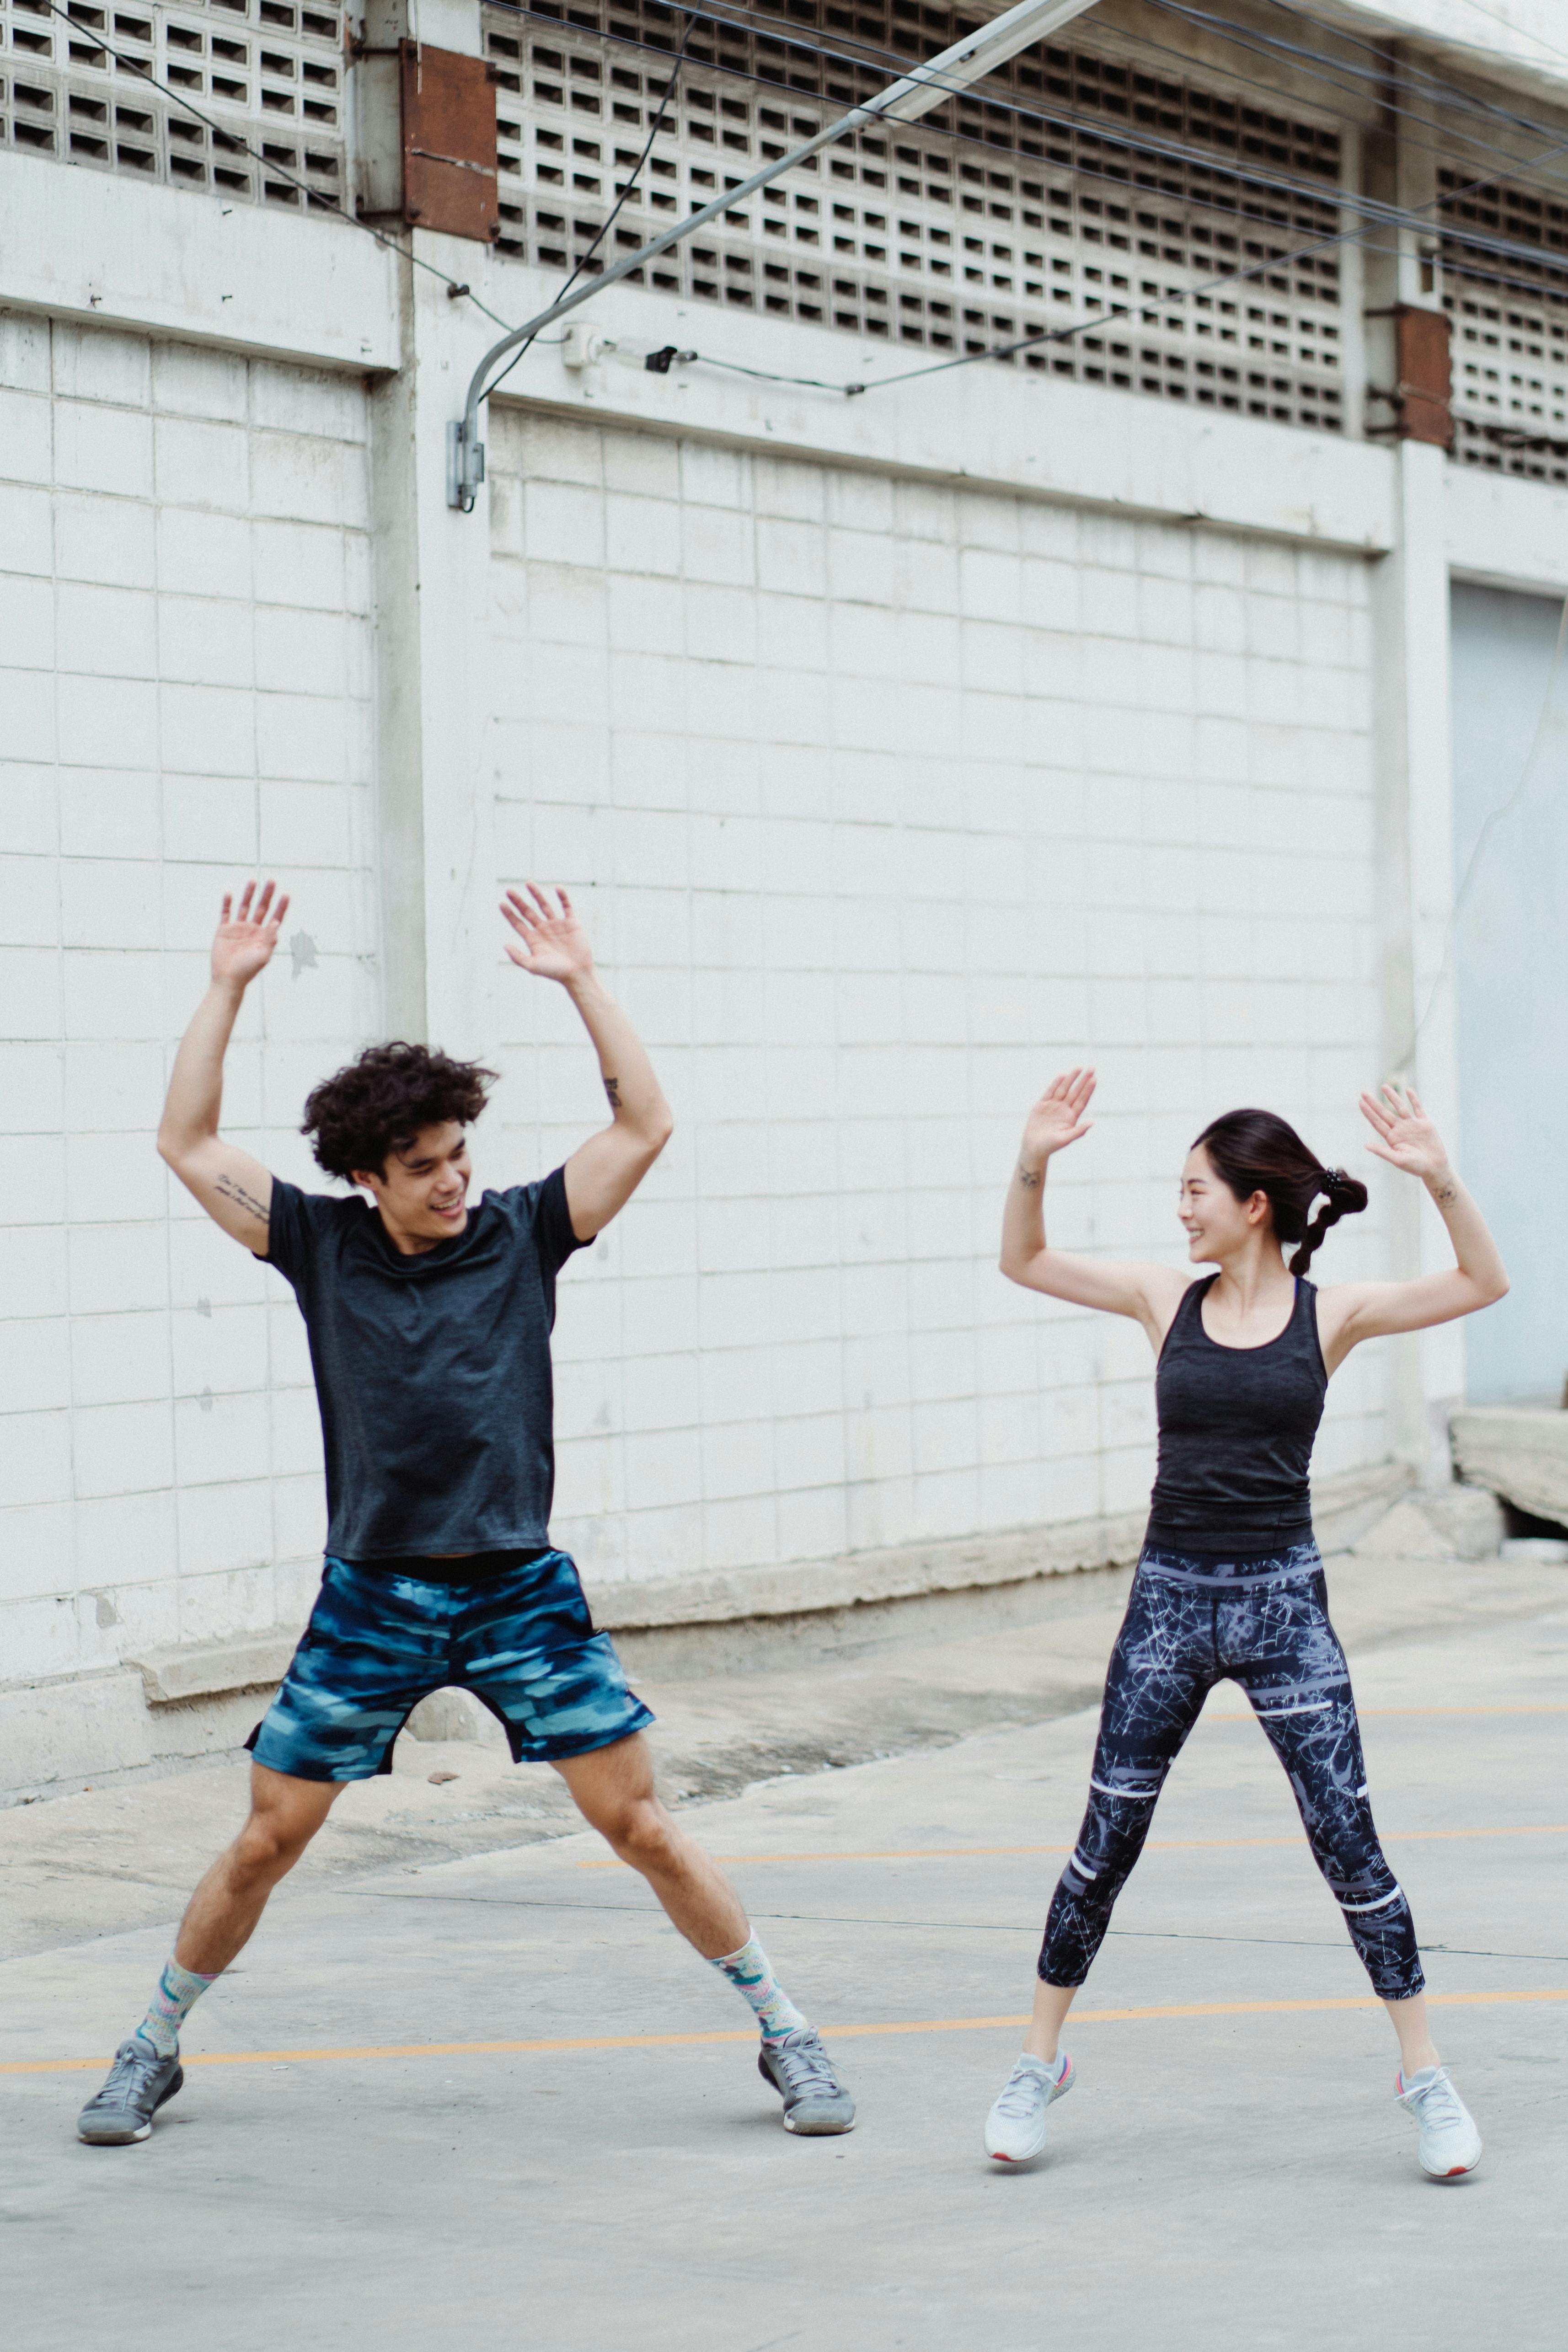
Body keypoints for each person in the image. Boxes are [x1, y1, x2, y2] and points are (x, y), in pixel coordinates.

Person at [78, 880, 854, 2147]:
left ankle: (789, 2035)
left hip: (516, 1591)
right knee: (269, 1840)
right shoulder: (317, 1247)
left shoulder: (523, 1233)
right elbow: (185, 1140)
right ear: (366, 1175)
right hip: (372, 1590)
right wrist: (225, 985)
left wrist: (579, 980)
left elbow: (646, 1123)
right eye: (423, 1167)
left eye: (459, 1158)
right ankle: (150, 2047)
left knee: (642, 1824)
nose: (451, 1182)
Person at [981, 1069, 1508, 2182]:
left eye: (1193, 1190)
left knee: (1348, 1840)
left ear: (1250, 1203)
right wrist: (1033, 1158)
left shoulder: (1335, 1313)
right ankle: (1037, 2062)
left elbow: (1481, 1280)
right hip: (1168, 1599)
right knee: (1103, 1842)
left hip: (1281, 1603)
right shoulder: (1158, 1299)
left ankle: (1423, 2075)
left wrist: (1438, 1173)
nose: (1179, 1210)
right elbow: (1021, 1261)